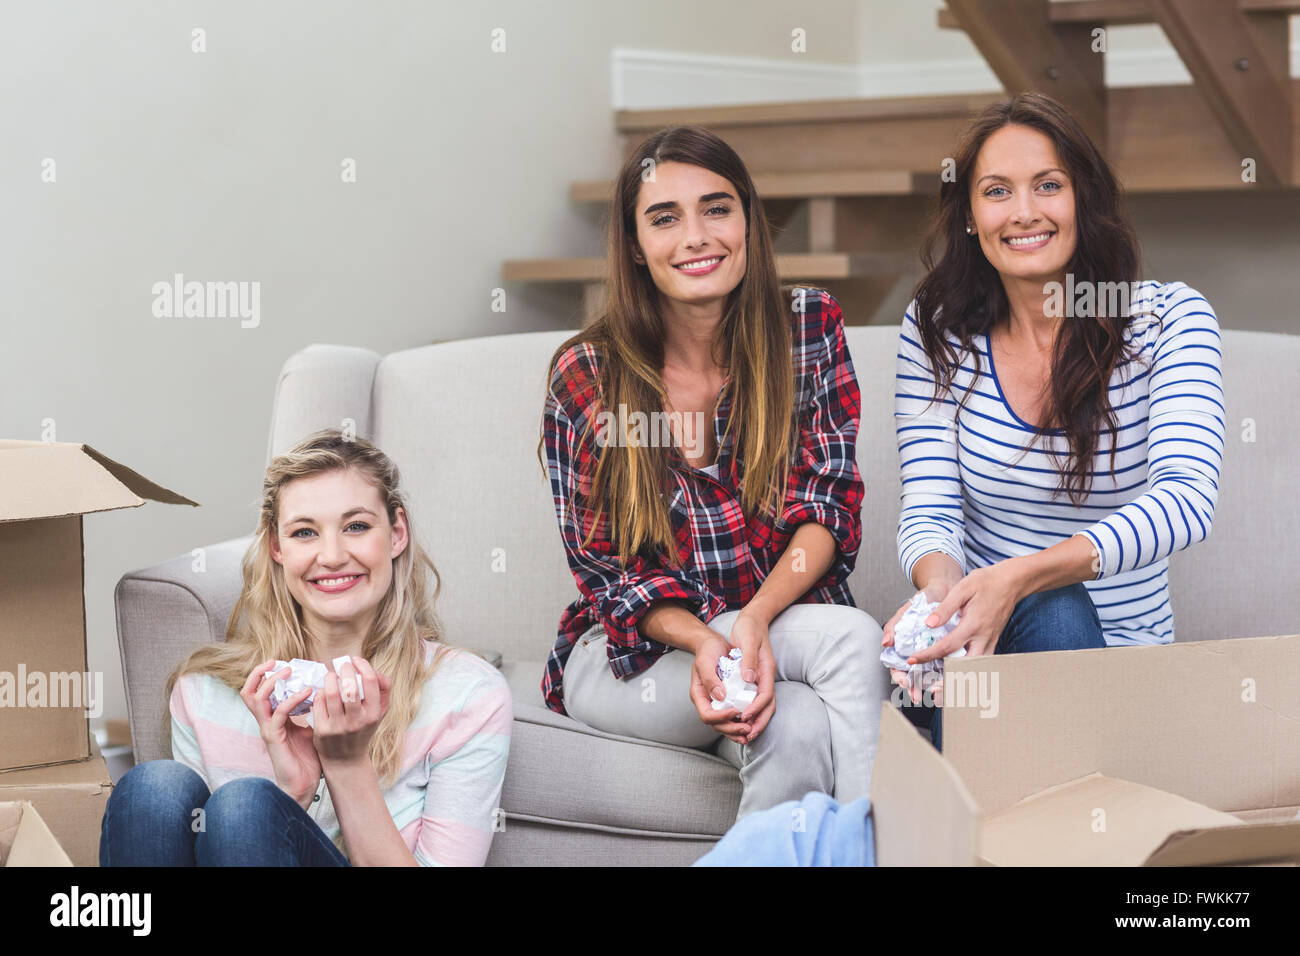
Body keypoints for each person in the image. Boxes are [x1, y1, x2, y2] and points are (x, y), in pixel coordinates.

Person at [536, 124, 890, 820]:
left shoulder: (808, 328)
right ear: (635, 246)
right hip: (641, 653)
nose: (697, 235)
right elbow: (609, 574)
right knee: (844, 647)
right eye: (665, 218)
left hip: (776, 622)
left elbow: (829, 507)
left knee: (799, 721)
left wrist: (752, 621)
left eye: (717, 208)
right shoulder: (588, 375)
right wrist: (705, 640)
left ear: (749, 224)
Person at [884, 92, 1224, 750]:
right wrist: (947, 599)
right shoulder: (938, 333)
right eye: (996, 191)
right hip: (977, 652)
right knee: (952, 668)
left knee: (1056, 604)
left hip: (1119, 666)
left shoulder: (1165, 322)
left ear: (1083, 201)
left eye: (1048, 185)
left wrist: (1017, 577)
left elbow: (1187, 501)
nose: (1024, 212)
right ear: (970, 218)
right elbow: (931, 509)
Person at [100, 429, 512, 866]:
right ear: (277, 547)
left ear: (396, 533)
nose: (331, 556)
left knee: (245, 804)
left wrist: (347, 765)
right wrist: (293, 796)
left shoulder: (468, 694)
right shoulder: (205, 693)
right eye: (304, 533)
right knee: (155, 787)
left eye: (356, 526)